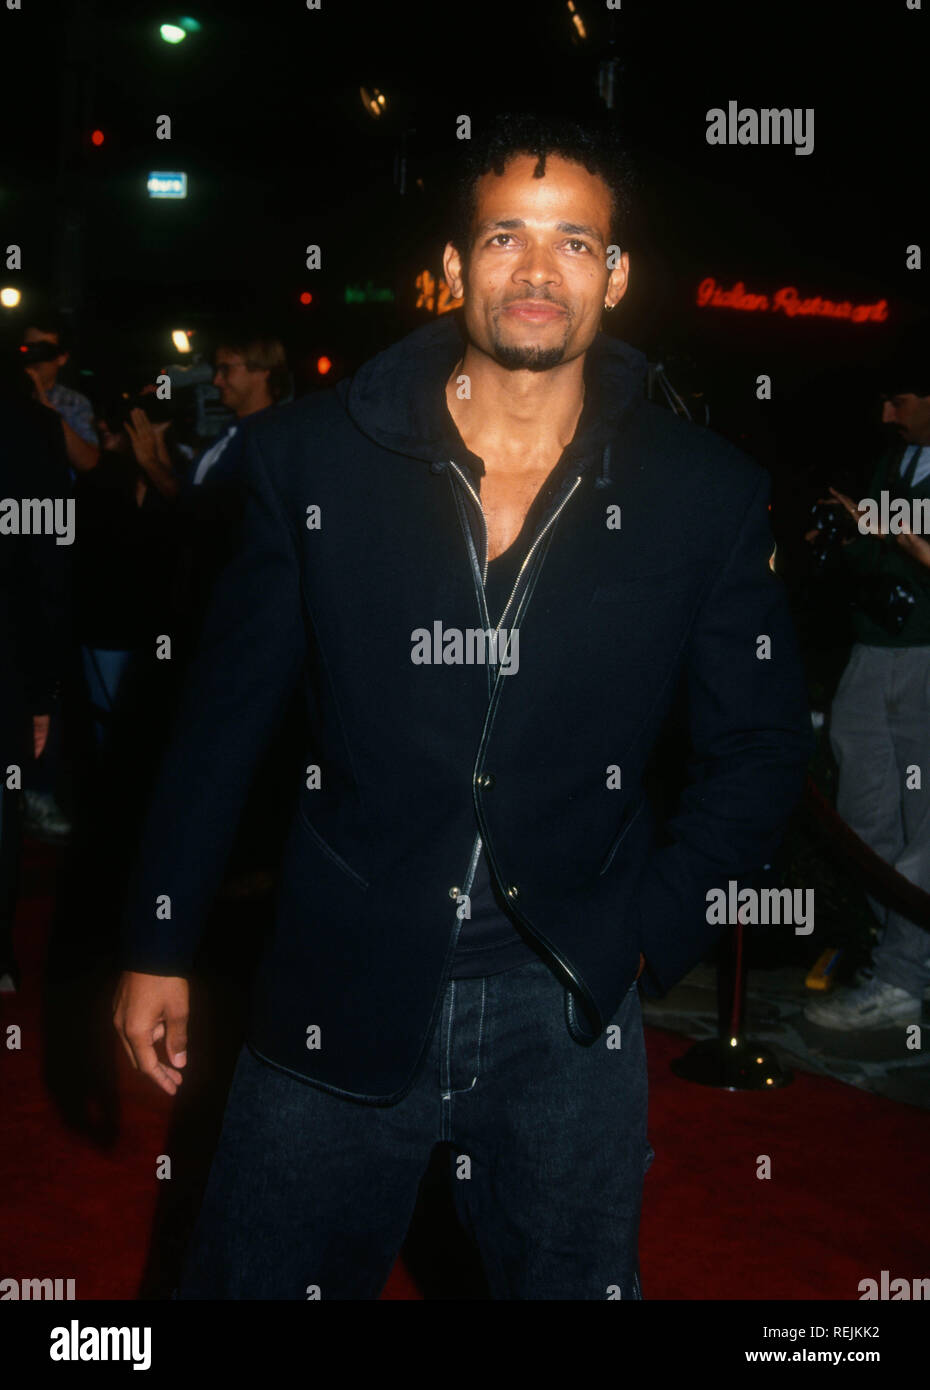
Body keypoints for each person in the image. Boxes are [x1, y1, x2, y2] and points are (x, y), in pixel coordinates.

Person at [113, 111, 811, 1300]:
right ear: (451, 266)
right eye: (505, 236)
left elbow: (757, 750)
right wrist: (160, 939)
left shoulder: (704, 492)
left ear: (618, 275)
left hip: (569, 1006)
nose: (538, 271)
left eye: (574, 243)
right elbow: (219, 724)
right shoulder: (309, 463)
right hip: (336, 982)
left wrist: (644, 932)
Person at [804, 348, 930, 1030]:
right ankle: (907, 949)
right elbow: (877, 558)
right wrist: (846, 539)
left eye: (901, 401)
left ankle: (904, 981)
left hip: (926, 658)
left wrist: (895, 534)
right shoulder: (892, 466)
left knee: (925, 831)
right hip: (873, 650)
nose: (887, 414)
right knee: (863, 814)